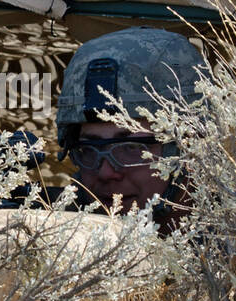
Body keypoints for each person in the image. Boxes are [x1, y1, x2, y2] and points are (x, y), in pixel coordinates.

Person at [54, 27, 208, 233]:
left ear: (188, 148)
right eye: (88, 149)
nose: (105, 172)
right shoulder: (53, 227)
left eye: (131, 148)